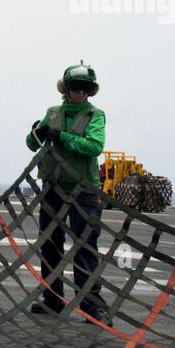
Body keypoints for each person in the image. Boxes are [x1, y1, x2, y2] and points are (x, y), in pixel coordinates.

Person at [24, 62, 111, 324]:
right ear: (67, 88)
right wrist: (35, 133)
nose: (80, 92)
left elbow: (94, 146)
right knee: (50, 245)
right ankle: (53, 299)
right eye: (76, 87)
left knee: (85, 246)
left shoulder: (95, 115)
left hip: (83, 189)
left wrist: (59, 136)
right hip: (53, 188)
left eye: (86, 88)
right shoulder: (52, 113)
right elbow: (32, 144)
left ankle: (92, 305)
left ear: (91, 91)